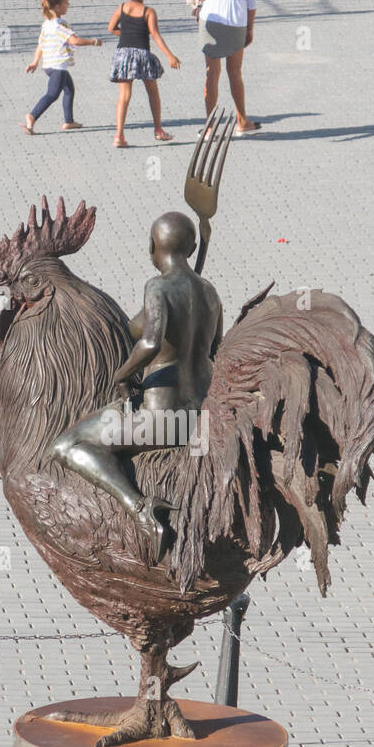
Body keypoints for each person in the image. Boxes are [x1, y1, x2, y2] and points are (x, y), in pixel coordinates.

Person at [49, 212, 223, 557]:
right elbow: (214, 349)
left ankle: (141, 507)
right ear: (191, 247)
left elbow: (151, 343)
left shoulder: (157, 286)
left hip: (162, 421)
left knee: (67, 445)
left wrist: (121, 375)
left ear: (152, 246)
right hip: (198, 415)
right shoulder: (209, 292)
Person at [171, 0, 261, 136]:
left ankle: (210, 127)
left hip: (211, 18)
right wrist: (250, 28)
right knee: (235, 72)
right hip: (236, 19)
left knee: (211, 73)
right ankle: (242, 121)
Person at [107, 0, 181, 148]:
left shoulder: (122, 7)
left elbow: (111, 28)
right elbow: (155, 35)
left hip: (123, 53)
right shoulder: (148, 12)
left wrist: (125, 35)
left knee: (123, 97)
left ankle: (119, 136)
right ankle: (158, 130)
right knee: (153, 92)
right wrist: (170, 55)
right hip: (142, 54)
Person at [22, 0, 102, 134]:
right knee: (52, 94)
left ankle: (69, 121)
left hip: (49, 65)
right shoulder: (60, 25)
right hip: (58, 67)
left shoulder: (46, 24)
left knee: (69, 90)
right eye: (66, 2)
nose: (68, 5)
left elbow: (41, 44)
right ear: (57, 7)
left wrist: (35, 62)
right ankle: (32, 116)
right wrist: (93, 41)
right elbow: (75, 41)